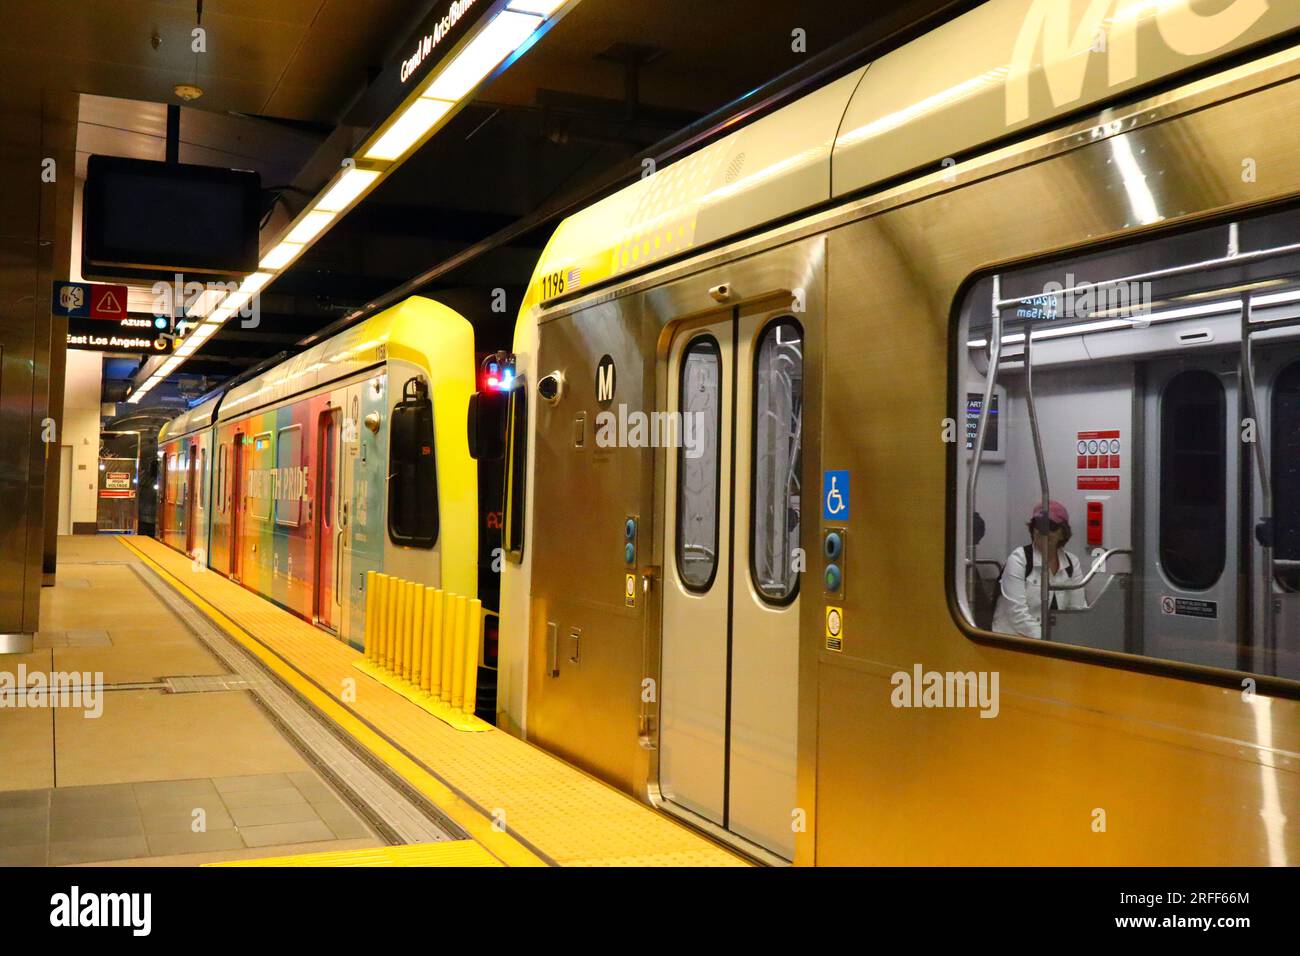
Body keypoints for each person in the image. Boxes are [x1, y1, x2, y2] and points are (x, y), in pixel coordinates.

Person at [992, 500, 1086, 639]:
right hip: (1013, 640)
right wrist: (1047, 641)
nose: (1044, 532)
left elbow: (1076, 609)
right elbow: (1017, 614)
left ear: (1062, 533)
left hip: (1052, 641)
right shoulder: (1020, 559)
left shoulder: (1072, 563)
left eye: (1051, 526)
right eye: (1039, 525)